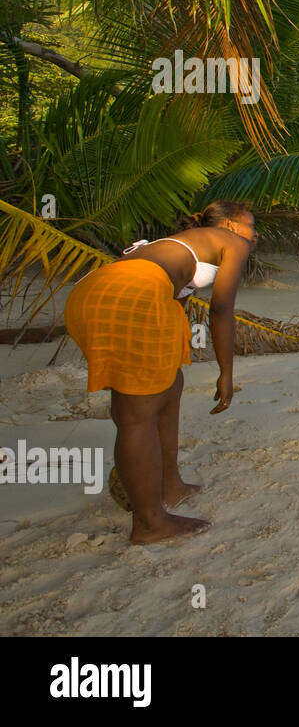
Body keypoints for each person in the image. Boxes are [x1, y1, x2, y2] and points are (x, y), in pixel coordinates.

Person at [63, 201, 256, 543]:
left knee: (168, 382)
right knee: (137, 413)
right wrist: (227, 373)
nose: (254, 235)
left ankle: (169, 484)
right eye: (250, 226)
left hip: (93, 294)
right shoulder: (232, 243)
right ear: (229, 226)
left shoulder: (178, 244)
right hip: (131, 296)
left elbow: (173, 303)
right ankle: (150, 522)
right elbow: (222, 309)